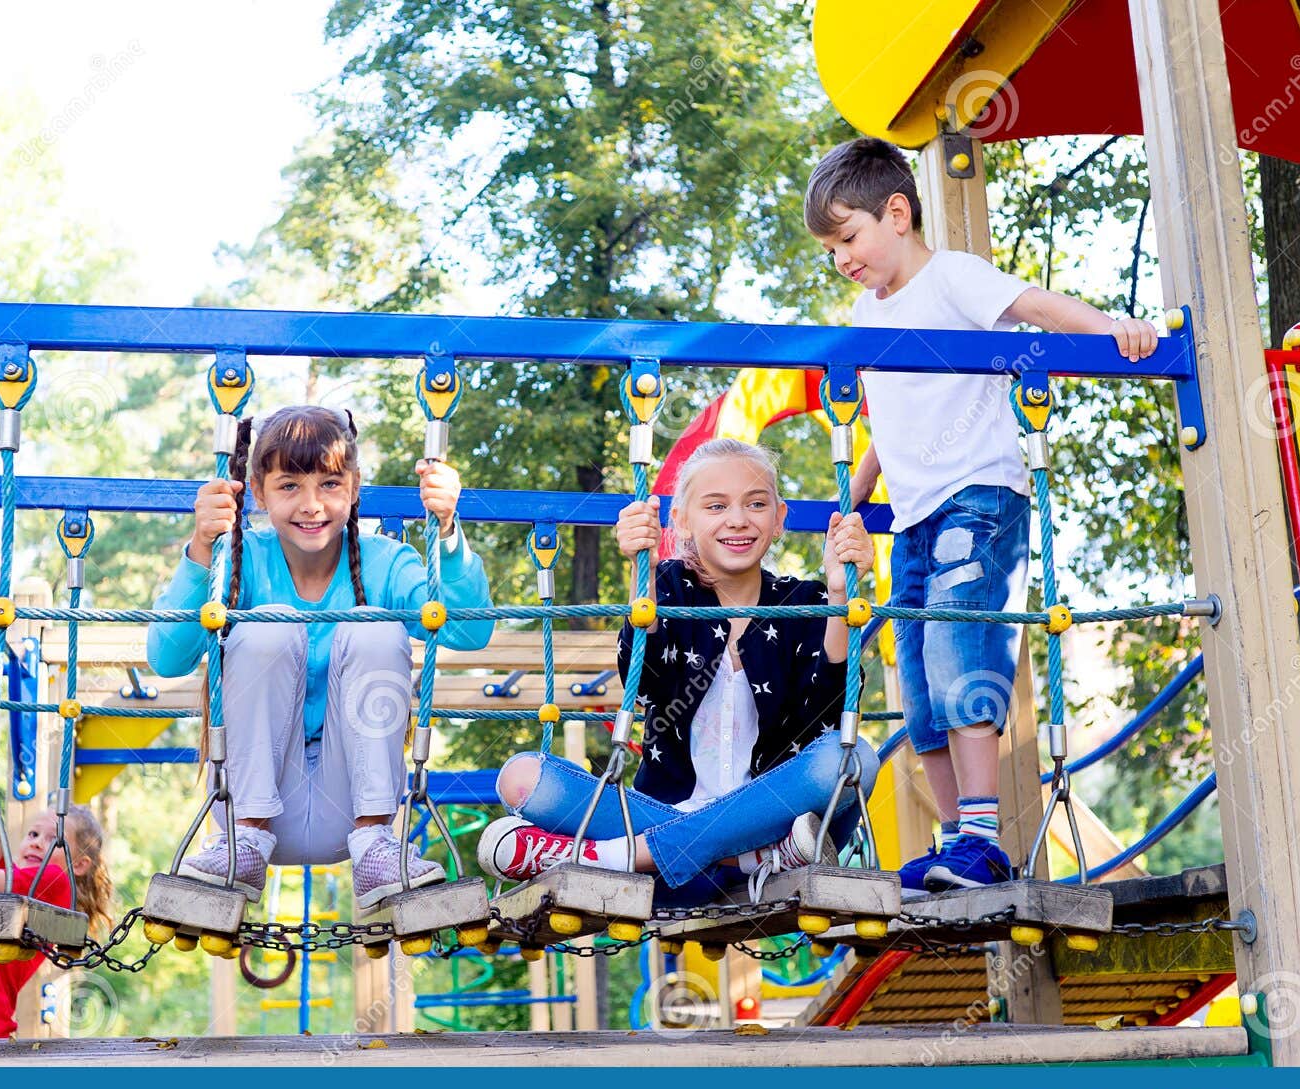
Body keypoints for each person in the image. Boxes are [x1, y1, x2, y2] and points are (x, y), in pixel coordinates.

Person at [805, 136, 1159, 889]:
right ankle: (950, 841)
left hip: (981, 496)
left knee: (959, 649)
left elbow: (1035, 305)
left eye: (848, 237)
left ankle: (983, 836)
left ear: (896, 213)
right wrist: (856, 493)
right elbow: (887, 417)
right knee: (920, 675)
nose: (841, 257)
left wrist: (1113, 328)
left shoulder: (952, 279)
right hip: (913, 517)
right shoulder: (868, 313)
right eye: (830, 246)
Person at [477, 438, 880, 904]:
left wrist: (837, 592)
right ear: (683, 519)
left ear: (779, 518)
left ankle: (611, 858)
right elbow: (641, 676)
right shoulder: (670, 589)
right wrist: (640, 576)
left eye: (755, 503)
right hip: (670, 814)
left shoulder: (802, 603)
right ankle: (743, 860)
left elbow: (829, 708)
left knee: (853, 759)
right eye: (716, 505)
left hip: (776, 816)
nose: (738, 519)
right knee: (522, 778)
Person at [148, 405, 494, 910]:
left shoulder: (385, 562)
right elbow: (167, 657)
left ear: (354, 489)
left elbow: (469, 629)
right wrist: (202, 548)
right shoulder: (240, 561)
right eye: (290, 485)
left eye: (329, 484)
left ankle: (379, 844)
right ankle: (244, 840)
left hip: (354, 812)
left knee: (375, 629)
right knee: (270, 628)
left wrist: (447, 532)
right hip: (250, 809)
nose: (311, 505)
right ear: (260, 492)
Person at [0, 701, 114, 1040]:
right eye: (32, 834)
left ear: (80, 864)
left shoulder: (52, 883)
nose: (36, 843)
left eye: (51, 839)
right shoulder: (18, 886)